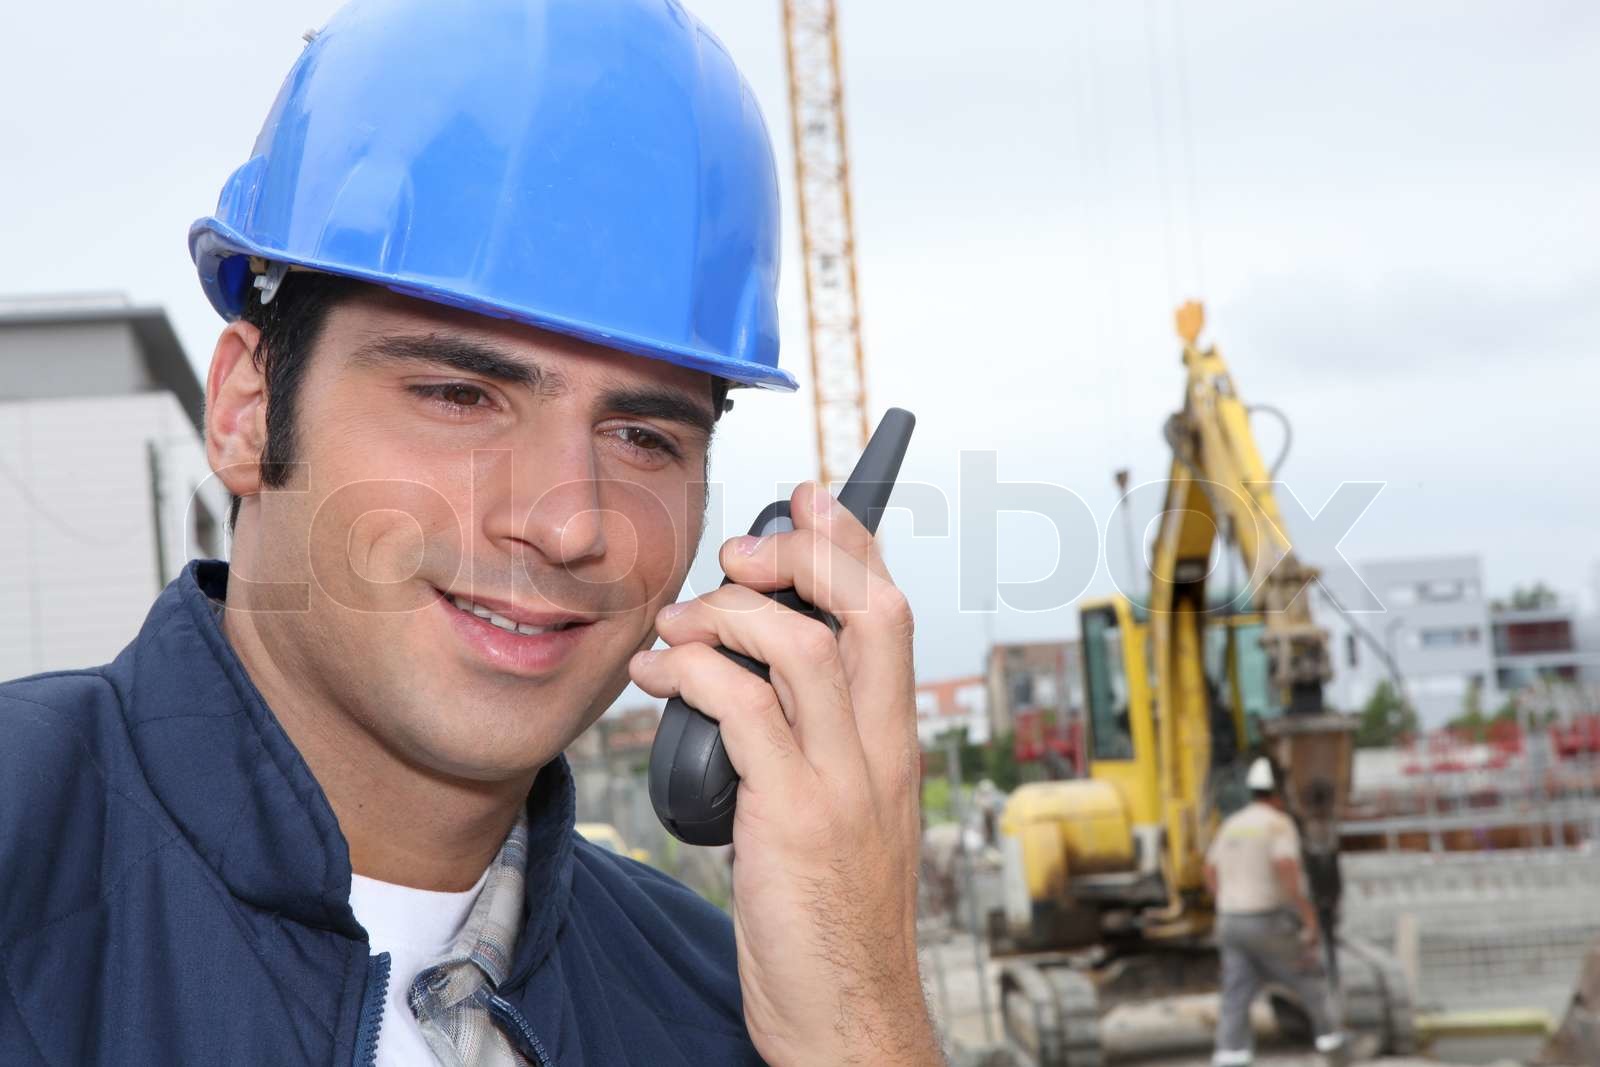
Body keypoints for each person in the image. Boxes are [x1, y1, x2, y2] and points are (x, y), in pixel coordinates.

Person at [0, 2, 938, 1064]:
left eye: (641, 433)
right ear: (247, 411)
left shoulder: (738, 1006)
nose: (567, 518)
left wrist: (866, 1022)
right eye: (458, 395)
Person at [1204, 758, 1347, 1067]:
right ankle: (1331, 1043)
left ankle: (1230, 1054)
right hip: (1266, 919)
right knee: (1308, 975)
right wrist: (1306, 917)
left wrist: (1225, 899)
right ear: (1278, 794)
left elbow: (1210, 868)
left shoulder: (1232, 823)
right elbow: (1285, 866)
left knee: (1236, 990)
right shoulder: (1277, 824)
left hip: (1229, 921)